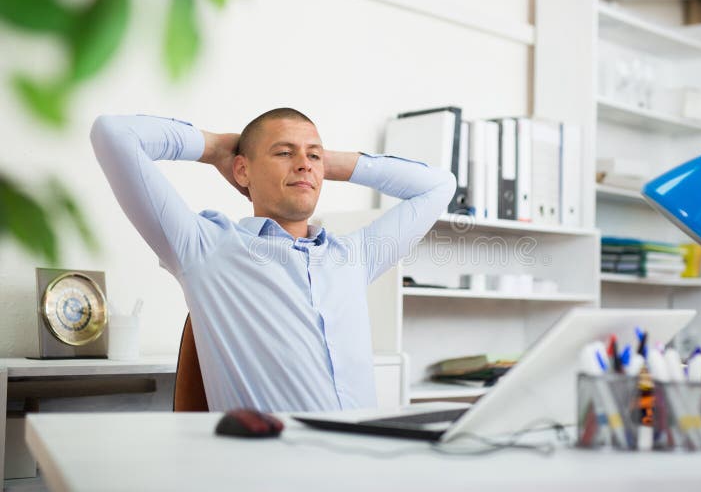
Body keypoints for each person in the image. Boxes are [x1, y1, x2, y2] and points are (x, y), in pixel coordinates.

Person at [90, 109, 455, 412]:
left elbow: (440, 185)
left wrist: (327, 163)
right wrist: (217, 147)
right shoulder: (205, 247)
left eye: (313, 155)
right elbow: (113, 134)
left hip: (366, 468)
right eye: (284, 153)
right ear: (242, 171)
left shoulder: (354, 256)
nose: (304, 165)